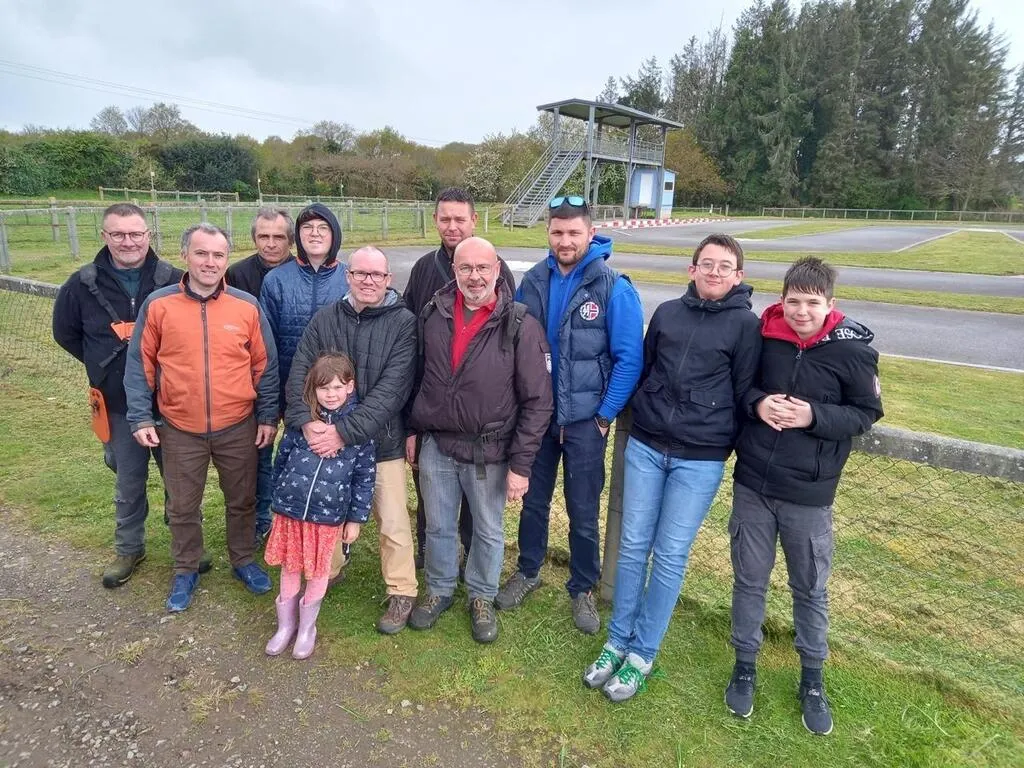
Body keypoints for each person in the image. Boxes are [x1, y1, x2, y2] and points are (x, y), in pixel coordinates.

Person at [582, 233, 761, 702]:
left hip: (698, 460)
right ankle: (617, 642)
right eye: (707, 264)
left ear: (738, 275)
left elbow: (745, 393)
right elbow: (644, 369)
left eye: (725, 267)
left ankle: (642, 652)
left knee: (669, 555)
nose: (715, 273)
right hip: (645, 446)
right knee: (632, 546)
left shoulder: (746, 327)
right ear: (692, 269)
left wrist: (723, 443)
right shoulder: (667, 313)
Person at [723, 256, 883, 735]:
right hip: (753, 484)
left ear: (830, 304)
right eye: (793, 301)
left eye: (812, 303)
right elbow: (740, 388)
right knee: (749, 581)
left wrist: (814, 416)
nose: (801, 312)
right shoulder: (763, 336)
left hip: (809, 496)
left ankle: (812, 678)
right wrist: (758, 403)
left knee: (810, 589)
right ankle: (744, 664)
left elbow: (866, 413)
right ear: (782, 299)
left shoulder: (853, 352)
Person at [498, 196, 644, 635]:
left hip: (585, 422)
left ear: (589, 233)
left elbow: (629, 359)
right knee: (533, 502)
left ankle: (582, 586)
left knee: (583, 508)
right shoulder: (532, 282)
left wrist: (603, 417)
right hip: (538, 420)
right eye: (557, 232)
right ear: (548, 233)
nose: (565, 240)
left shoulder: (613, 285)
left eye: (573, 233)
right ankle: (528, 570)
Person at [124, 224, 280, 613]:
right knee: (182, 505)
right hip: (179, 428)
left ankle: (243, 559)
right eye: (202, 254)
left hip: (238, 424)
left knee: (242, 500)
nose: (210, 262)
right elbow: (140, 364)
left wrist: (266, 417)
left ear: (227, 260)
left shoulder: (246, 306)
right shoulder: (159, 306)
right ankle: (186, 567)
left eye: (218, 255)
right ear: (185, 256)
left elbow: (266, 367)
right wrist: (142, 417)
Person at [51, 203, 207, 588]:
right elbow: (65, 333)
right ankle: (129, 547)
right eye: (118, 234)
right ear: (104, 236)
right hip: (118, 404)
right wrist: (104, 364)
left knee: (179, 479)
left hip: (172, 403)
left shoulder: (174, 279)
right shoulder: (81, 284)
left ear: (148, 235)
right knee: (129, 480)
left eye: (136, 233)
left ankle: (186, 544)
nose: (128, 242)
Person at [405, 237, 553, 644]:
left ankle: (482, 596)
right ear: (454, 270)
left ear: (497, 269)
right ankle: (438, 589)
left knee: (487, 530)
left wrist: (521, 466)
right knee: (437, 525)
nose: (474, 276)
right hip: (437, 444)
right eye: (465, 268)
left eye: (482, 268)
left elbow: (539, 402)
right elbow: (416, 376)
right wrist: (413, 431)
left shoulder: (520, 324)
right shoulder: (433, 314)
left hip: (490, 451)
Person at [284, 246, 420, 634]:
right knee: (328, 512)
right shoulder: (326, 319)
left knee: (392, 521)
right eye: (360, 274)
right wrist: (308, 424)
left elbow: (392, 391)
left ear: (388, 280)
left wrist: (343, 432)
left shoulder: (403, 324)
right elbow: (301, 375)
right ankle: (328, 571)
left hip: (382, 442)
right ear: (348, 275)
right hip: (323, 439)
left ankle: (401, 590)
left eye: (376, 275)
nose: (368, 281)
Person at [403, 187, 517, 572]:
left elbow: (506, 344)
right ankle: (429, 556)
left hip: (481, 419)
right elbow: (410, 340)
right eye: (445, 219)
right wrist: (412, 419)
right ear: (435, 221)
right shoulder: (423, 270)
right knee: (432, 495)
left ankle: (473, 556)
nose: (452, 226)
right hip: (434, 410)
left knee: (478, 501)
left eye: (460, 219)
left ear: (474, 221)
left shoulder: (496, 269)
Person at [264, 353, 376, 660]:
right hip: (290, 512)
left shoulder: (357, 432)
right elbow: (281, 461)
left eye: (338, 387)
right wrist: (277, 500)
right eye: (324, 388)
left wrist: (355, 519)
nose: (331, 394)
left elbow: (365, 478)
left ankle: (306, 628)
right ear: (313, 390)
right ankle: (285, 625)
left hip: (326, 518)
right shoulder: (301, 426)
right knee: (290, 566)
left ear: (350, 387)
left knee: (317, 571)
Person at [226, 206, 295, 542]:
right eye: (263, 237)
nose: (270, 243)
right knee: (258, 453)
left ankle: (296, 517)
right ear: (254, 238)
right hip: (253, 379)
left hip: (296, 375)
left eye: (278, 237)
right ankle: (259, 518)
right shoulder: (237, 275)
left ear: (290, 240)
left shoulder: (301, 271)